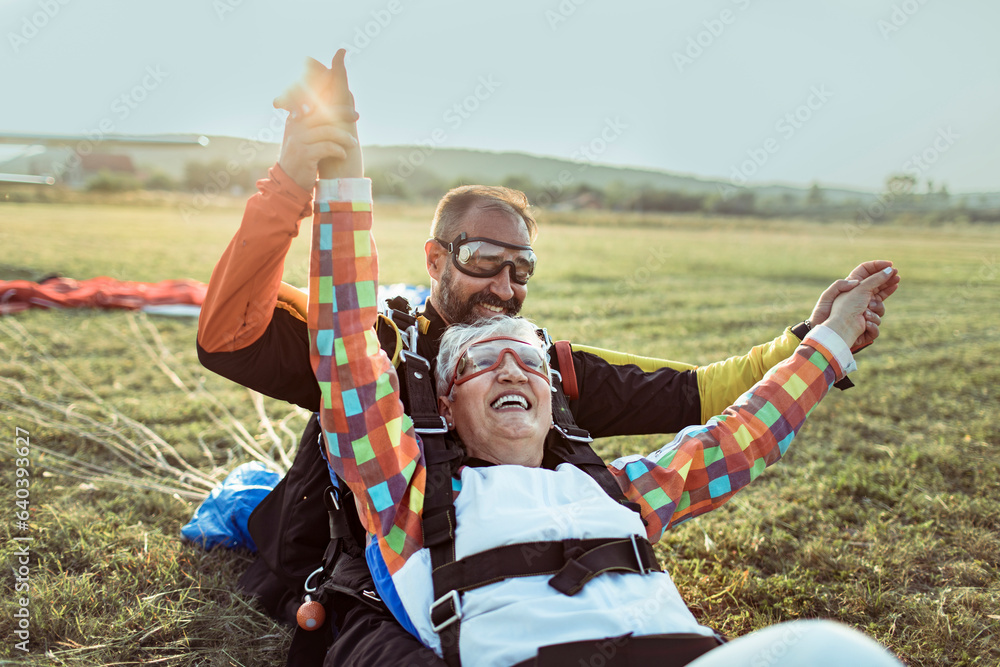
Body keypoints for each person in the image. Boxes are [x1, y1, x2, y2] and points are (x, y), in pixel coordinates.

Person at [196, 52, 898, 666]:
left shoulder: (561, 394)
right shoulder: (389, 390)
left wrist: (817, 337)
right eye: (483, 260)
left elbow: (715, 416)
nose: (505, 289)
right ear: (435, 259)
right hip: (390, 572)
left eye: (522, 270)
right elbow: (273, 335)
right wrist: (308, 180)